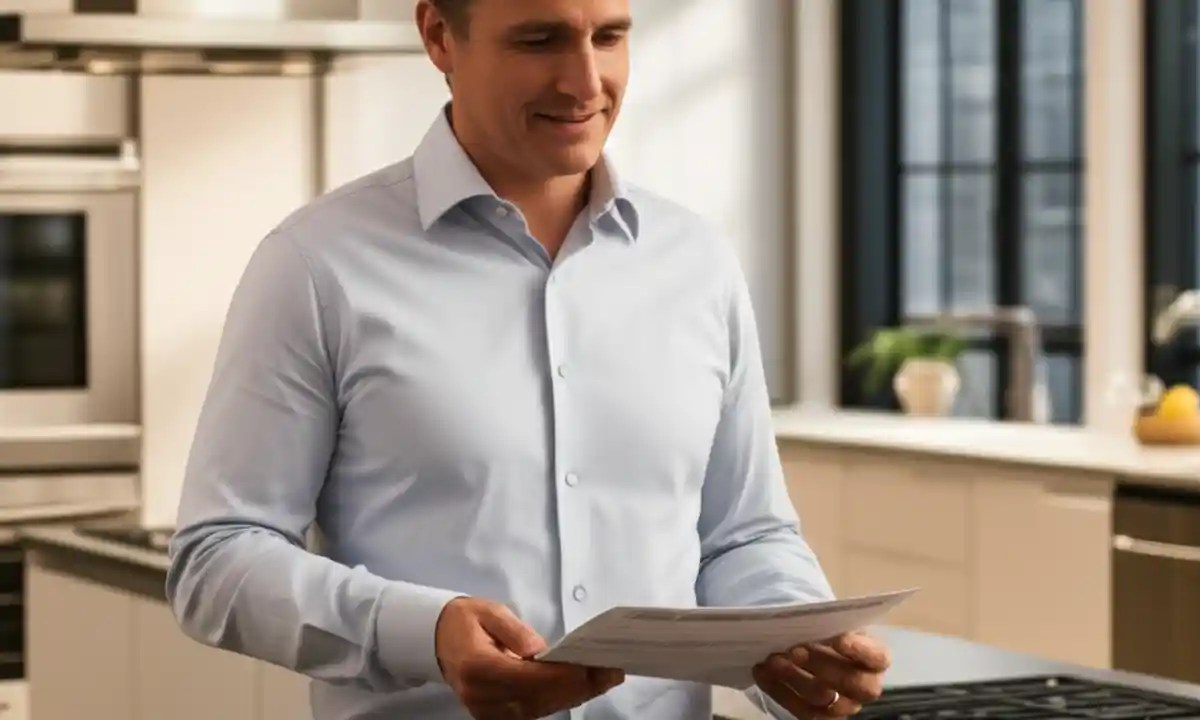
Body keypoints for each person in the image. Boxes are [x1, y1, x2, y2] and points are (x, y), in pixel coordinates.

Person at [166, 0, 892, 718]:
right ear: (439, 36)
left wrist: (800, 642)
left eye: (608, 37)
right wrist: (424, 631)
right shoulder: (317, 266)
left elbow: (743, 532)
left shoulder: (697, 263)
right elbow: (217, 557)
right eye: (540, 40)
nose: (585, 82)